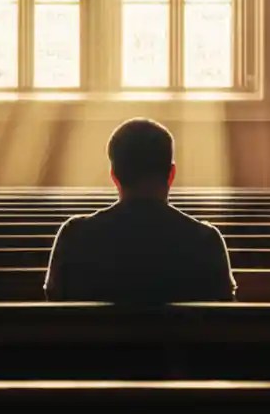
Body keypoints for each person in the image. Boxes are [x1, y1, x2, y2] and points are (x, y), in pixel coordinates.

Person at [43, 118, 237, 303]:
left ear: (114, 176)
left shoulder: (74, 235)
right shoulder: (206, 241)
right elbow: (225, 315)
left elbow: (53, 307)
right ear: (171, 174)